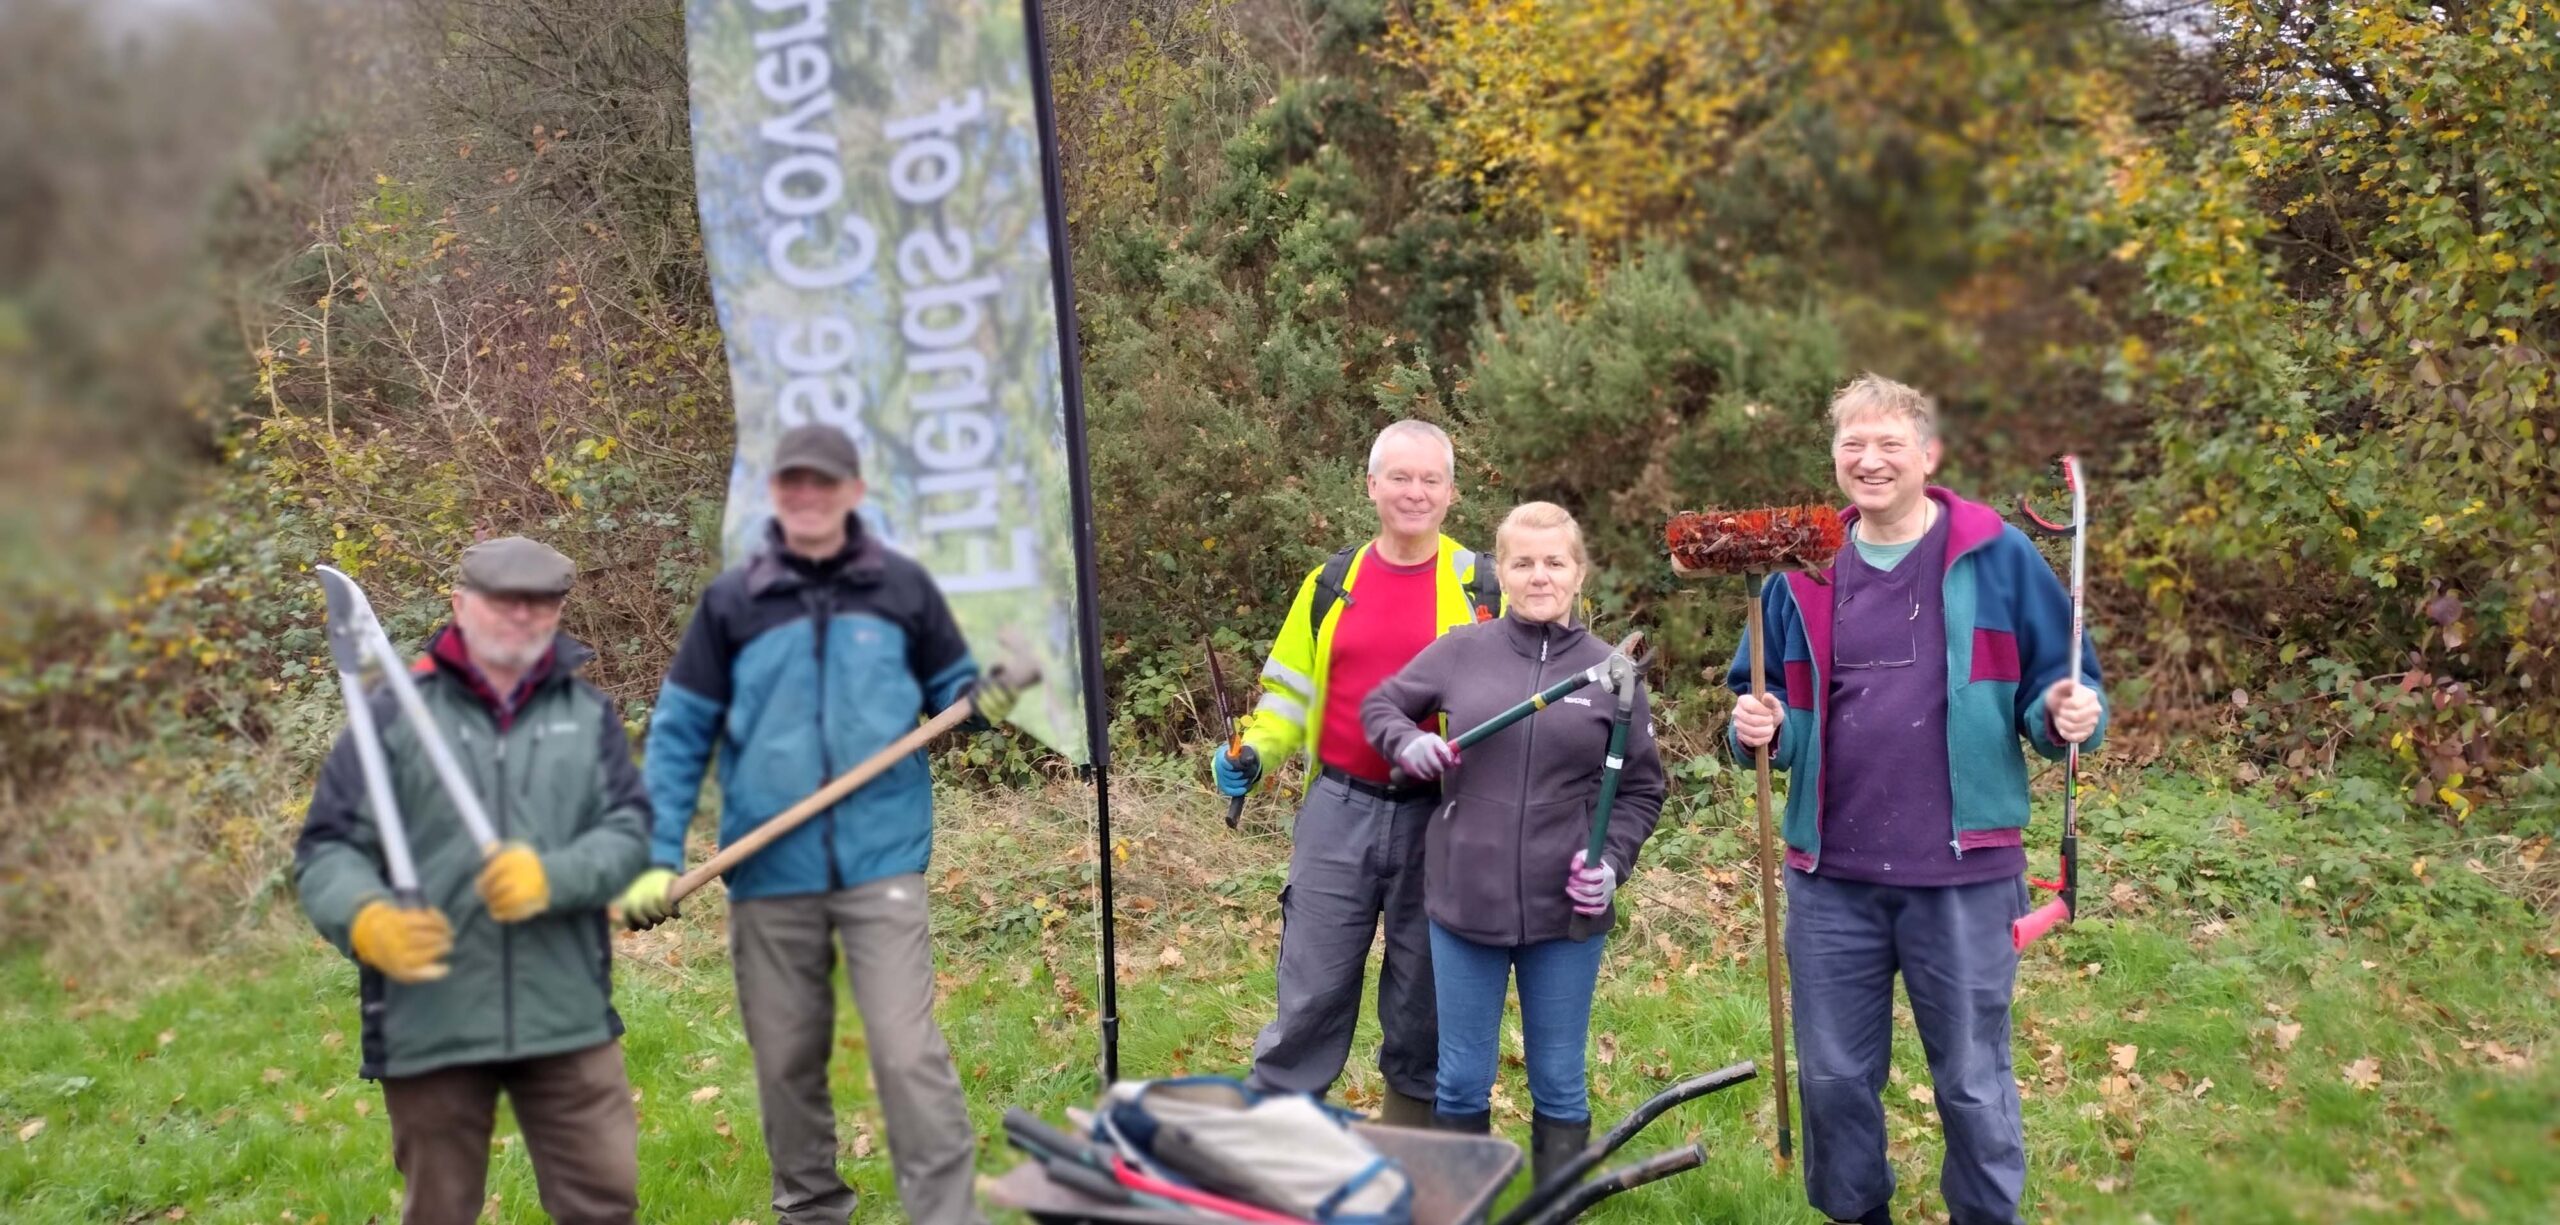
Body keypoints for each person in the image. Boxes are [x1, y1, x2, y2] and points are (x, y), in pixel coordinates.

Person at [1728, 373, 2107, 1225]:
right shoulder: (1799, 567)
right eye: (1852, 446)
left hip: (1965, 873)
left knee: (1972, 1081)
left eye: (1889, 444)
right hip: (1831, 877)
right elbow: (1762, 705)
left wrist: (2065, 709)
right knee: (1831, 1079)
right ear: (1834, 461)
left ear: (1928, 455)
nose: (1870, 460)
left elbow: (2062, 681)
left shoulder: (1994, 551)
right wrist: (1757, 722)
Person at [618, 423, 1014, 1225]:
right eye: (792, 481)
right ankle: (810, 1210)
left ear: (853, 493)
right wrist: (657, 855)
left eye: (823, 481)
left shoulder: (903, 589)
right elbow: (681, 734)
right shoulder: (734, 604)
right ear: (776, 494)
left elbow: (953, 693)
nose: (807, 495)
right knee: (788, 1057)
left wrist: (983, 701)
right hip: (770, 870)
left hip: (881, 859)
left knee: (906, 1052)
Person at [295, 535, 652, 1225]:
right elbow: (328, 850)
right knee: (439, 1210)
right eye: (502, 603)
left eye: (540, 605)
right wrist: (367, 919)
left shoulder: (586, 717)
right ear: (459, 603)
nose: (521, 618)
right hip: (431, 1014)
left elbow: (627, 836)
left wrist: (555, 875)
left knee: (605, 1202)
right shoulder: (391, 717)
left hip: (566, 1009)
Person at [1360, 501, 1664, 1184]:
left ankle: (1554, 1205)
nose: (1539, 575)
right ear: (1501, 571)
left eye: (1554, 561)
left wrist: (1611, 864)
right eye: (1522, 562)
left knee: (1559, 1078)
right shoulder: (1462, 649)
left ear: (1578, 571)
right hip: (1466, 900)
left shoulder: (1613, 674)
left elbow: (1643, 789)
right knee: (1463, 1077)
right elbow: (1380, 704)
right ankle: (1463, 1203)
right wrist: (1409, 740)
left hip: (1566, 911)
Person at [1216, 419, 1502, 1126]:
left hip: (1442, 818)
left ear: (1451, 492)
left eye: (1429, 478)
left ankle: (1414, 1146)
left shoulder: (1481, 587)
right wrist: (1253, 751)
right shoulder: (1331, 583)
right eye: (1398, 477)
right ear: (1371, 486)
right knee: (1313, 986)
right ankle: (1284, 1141)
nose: (1414, 491)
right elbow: (1288, 694)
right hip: (1337, 810)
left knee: (1424, 996)